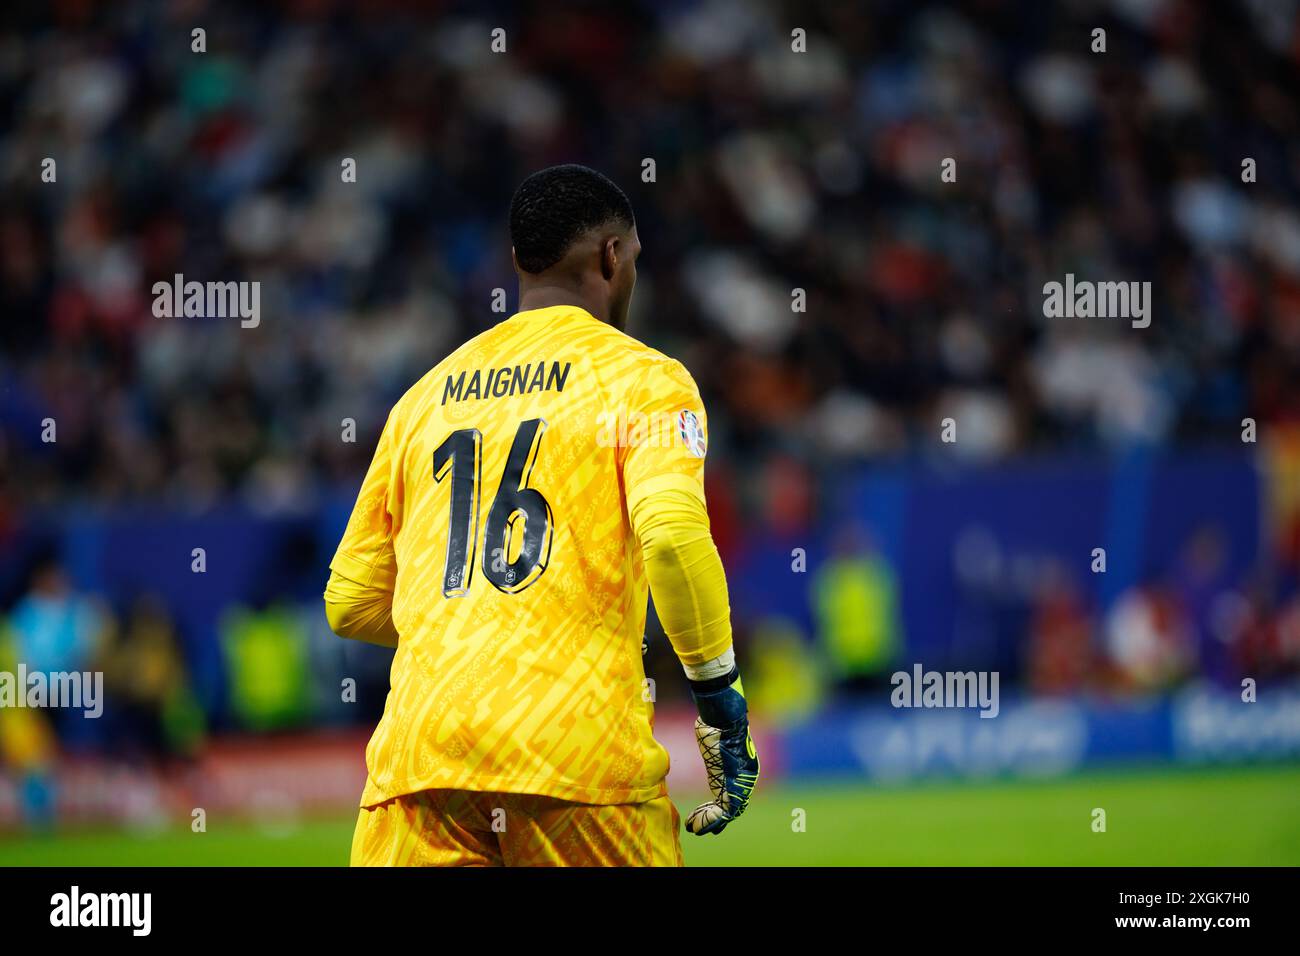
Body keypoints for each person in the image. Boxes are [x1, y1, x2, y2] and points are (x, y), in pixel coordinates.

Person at [324, 164, 758, 866]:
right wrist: (718, 700)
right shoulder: (645, 380)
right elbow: (674, 539)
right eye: (636, 260)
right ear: (613, 257)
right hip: (574, 757)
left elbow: (349, 601)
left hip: (417, 768)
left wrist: (476, 623)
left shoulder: (422, 399)